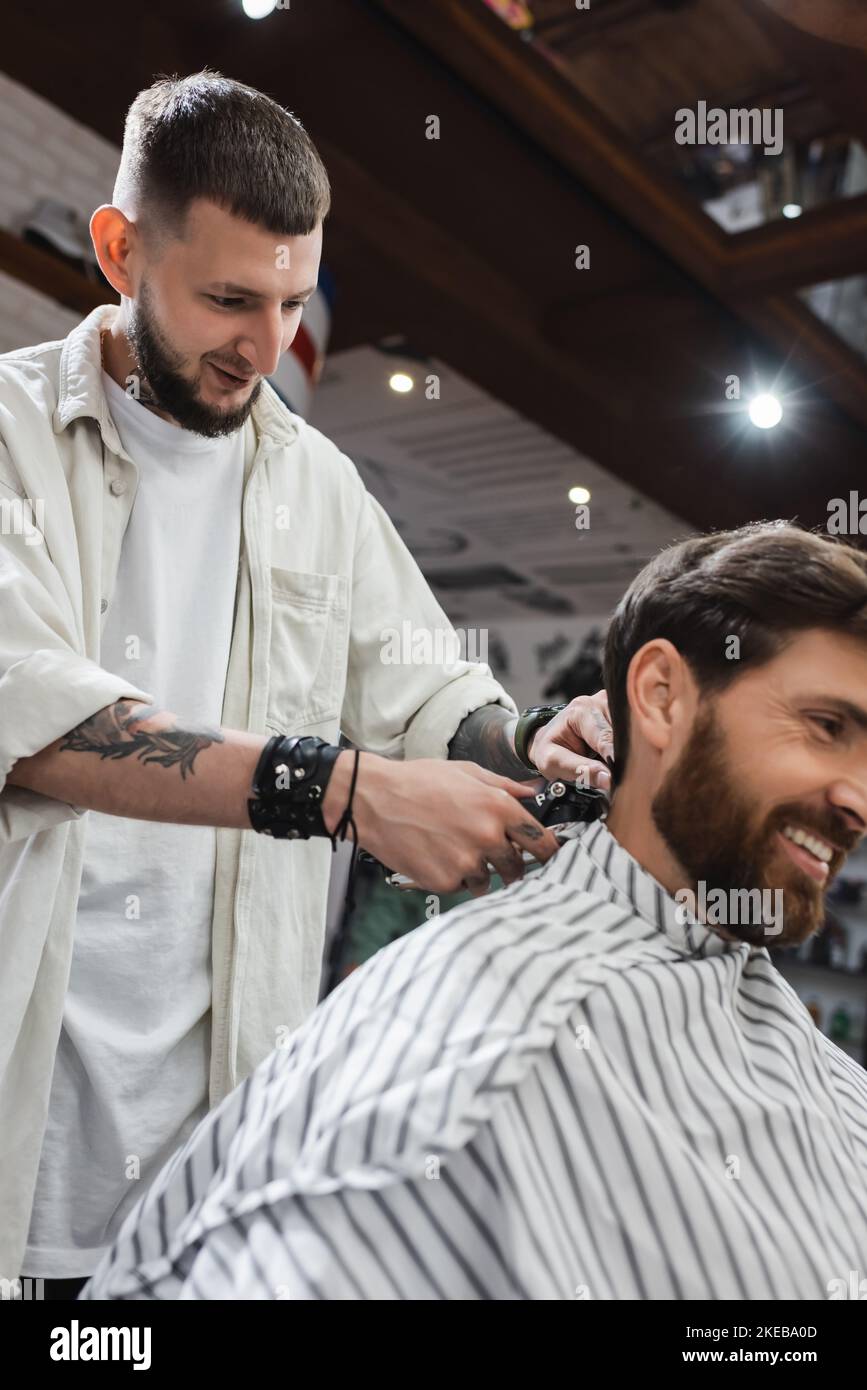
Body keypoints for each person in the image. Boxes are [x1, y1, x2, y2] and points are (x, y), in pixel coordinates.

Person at [0, 70, 613, 1295]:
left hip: (213, 1142)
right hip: (28, 1108)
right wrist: (340, 790)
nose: (263, 346)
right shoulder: (8, 433)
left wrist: (533, 737)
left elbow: (425, 687)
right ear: (118, 249)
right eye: (228, 298)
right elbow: (32, 716)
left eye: (291, 300)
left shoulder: (314, 479)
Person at [82, 520, 867, 1300]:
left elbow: (434, 700)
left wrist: (508, 734)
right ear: (660, 697)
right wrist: (349, 788)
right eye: (826, 727)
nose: (858, 801)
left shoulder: (800, 1049)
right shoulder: (479, 1055)